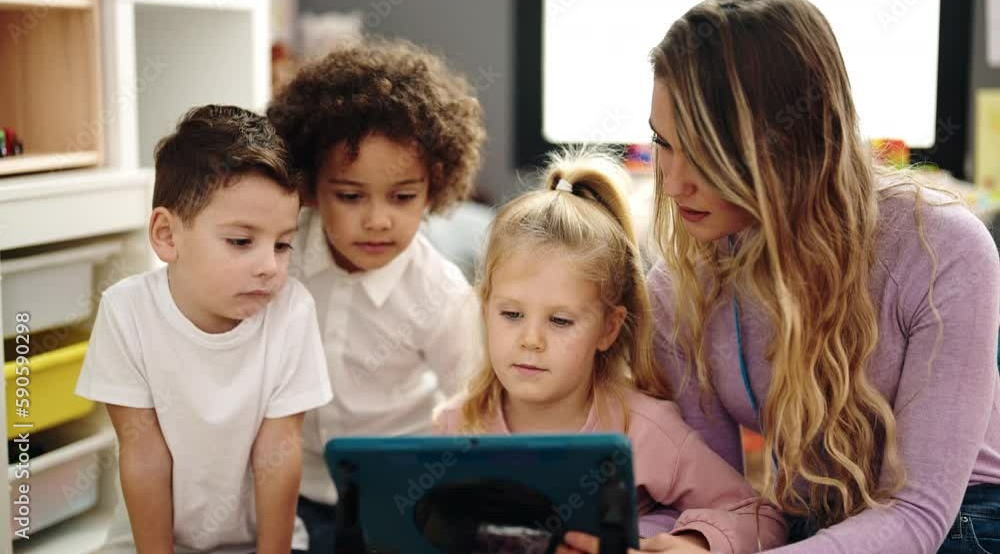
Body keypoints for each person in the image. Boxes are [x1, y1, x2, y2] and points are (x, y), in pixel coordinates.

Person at [560, 0, 1000, 553]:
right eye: (664, 145)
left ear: (791, 147)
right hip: (808, 525)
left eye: (705, 152)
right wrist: (694, 541)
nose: (672, 183)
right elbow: (718, 497)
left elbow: (917, 515)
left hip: (965, 520)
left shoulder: (943, 250)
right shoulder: (680, 289)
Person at [435, 152, 788, 554]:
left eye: (561, 321)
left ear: (608, 328)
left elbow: (757, 516)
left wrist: (694, 542)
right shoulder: (457, 426)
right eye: (511, 314)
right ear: (485, 309)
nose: (530, 339)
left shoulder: (644, 428)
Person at [75, 105, 332, 554]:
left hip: (263, 542)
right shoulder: (127, 311)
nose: (269, 266)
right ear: (167, 236)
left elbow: (279, 450)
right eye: (241, 242)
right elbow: (143, 454)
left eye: (283, 244)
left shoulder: (292, 311)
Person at [266, 38, 487, 552]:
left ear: (434, 189)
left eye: (403, 197)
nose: (377, 219)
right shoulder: (280, 252)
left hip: (403, 487)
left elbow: (473, 401)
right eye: (349, 196)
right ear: (311, 185)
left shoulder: (438, 291)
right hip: (289, 483)